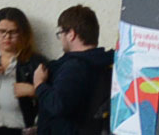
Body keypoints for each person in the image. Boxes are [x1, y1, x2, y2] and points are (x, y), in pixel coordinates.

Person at [27, 7, 109, 135]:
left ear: (71, 34)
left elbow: (58, 105)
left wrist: (39, 84)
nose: (60, 39)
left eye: (60, 33)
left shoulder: (74, 67)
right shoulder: (105, 62)